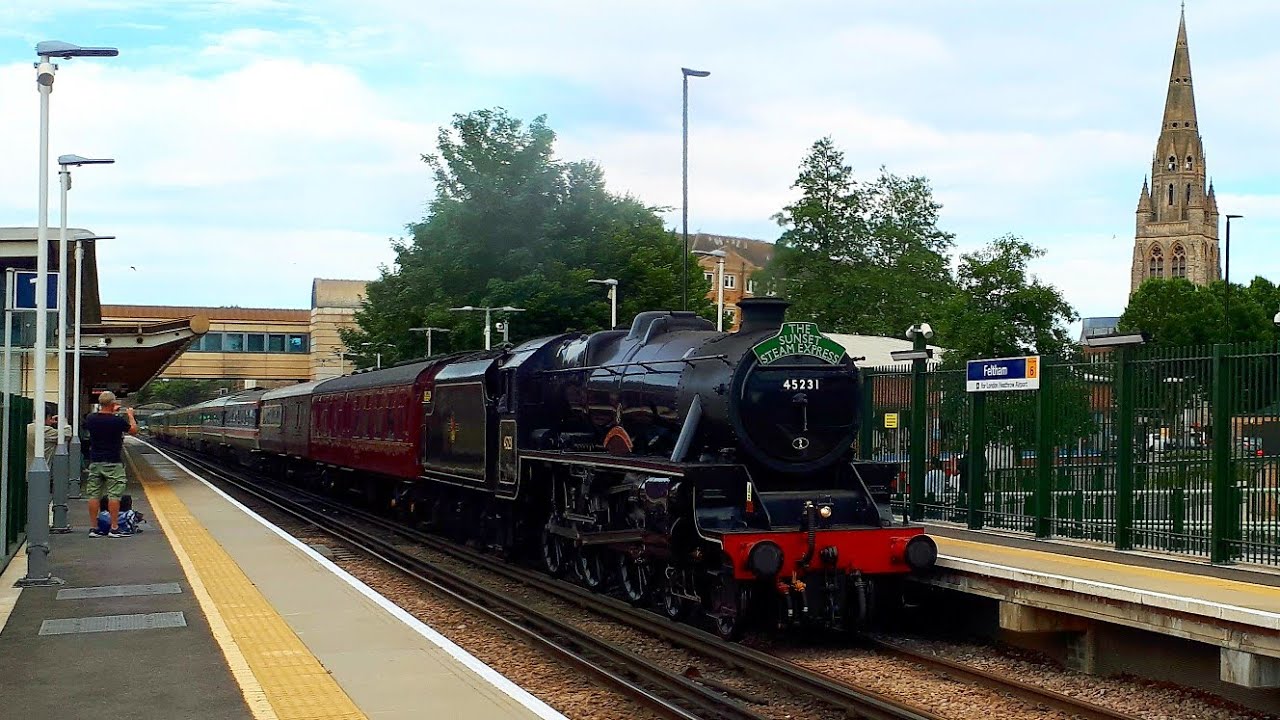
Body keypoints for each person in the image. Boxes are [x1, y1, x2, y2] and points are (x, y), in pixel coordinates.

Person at [84, 391, 138, 538]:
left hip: (95, 461)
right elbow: (133, 431)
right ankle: (114, 528)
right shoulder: (117, 421)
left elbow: (96, 420)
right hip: (113, 462)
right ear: (113, 404)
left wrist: (110, 411)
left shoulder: (91, 419)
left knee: (94, 495)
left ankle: (94, 528)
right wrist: (130, 415)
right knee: (114, 495)